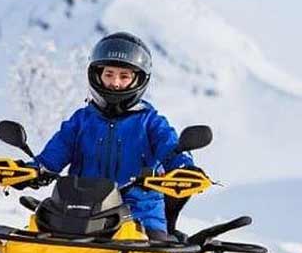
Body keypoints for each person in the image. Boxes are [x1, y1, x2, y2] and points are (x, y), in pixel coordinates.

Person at [30, 32, 194, 239]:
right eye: (109, 74)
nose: (115, 83)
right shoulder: (81, 120)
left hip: (139, 216)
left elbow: (170, 147)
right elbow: (52, 156)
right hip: (78, 214)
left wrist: (185, 168)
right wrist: (32, 170)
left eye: (124, 76)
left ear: (138, 79)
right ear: (97, 74)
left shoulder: (150, 122)